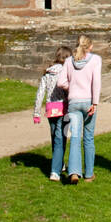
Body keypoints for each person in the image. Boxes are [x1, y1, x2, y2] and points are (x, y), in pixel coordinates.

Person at [57, 35, 101, 183]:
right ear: (90, 46)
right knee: (88, 137)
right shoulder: (95, 60)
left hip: (74, 101)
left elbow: (61, 82)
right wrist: (95, 102)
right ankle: (89, 173)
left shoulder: (69, 61)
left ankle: (74, 172)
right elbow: (96, 82)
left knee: (75, 136)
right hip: (88, 101)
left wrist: (72, 88)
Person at [33, 45, 73, 182]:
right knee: (60, 138)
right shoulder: (65, 71)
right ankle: (54, 171)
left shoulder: (48, 73)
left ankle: (59, 163)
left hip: (51, 108)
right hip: (63, 108)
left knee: (55, 136)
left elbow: (40, 93)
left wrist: (36, 113)